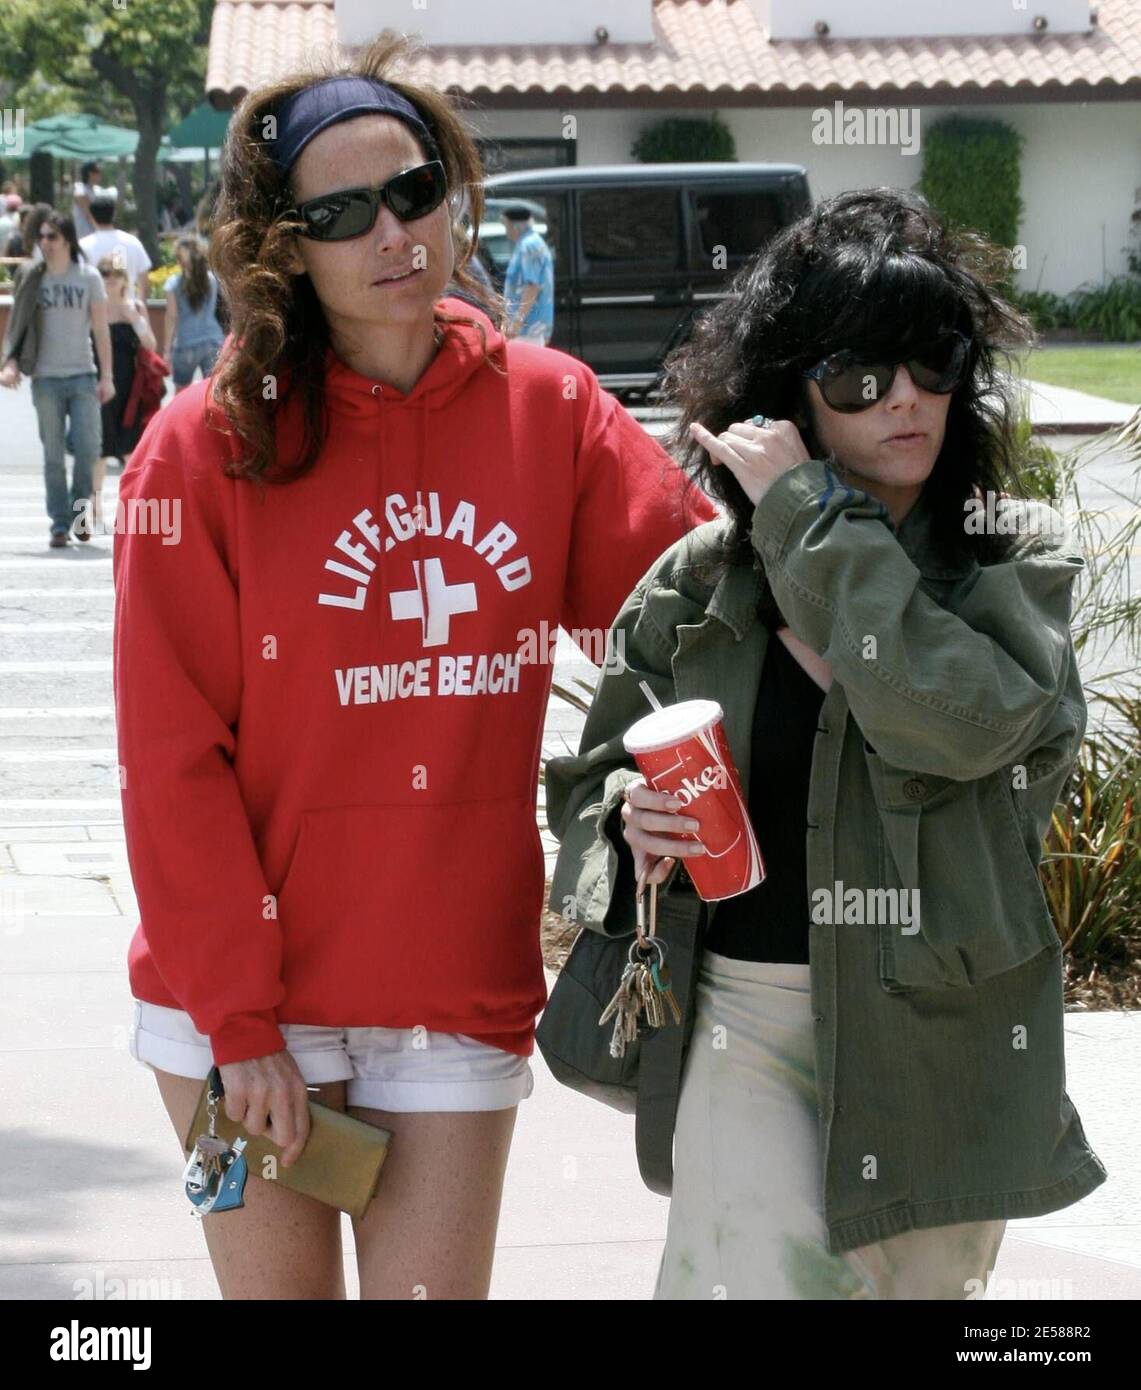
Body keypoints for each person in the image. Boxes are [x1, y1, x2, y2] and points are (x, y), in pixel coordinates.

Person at [112, 33, 717, 1301]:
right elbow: (171, 761)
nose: (392, 232)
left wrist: (822, 520)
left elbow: (690, 619)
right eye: (340, 212)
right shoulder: (204, 445)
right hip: (245, 998)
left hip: (449, 975)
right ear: (285, 245)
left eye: (413, 189)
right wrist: (239, 1024)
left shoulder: (549, 410)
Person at [545, 186, 1107, 1300]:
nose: (905, 400)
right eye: (859, 376)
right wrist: (626, 821)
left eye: (933, 362)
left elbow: (960, 726)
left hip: (944, 1028)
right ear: (786, 399)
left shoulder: (1003, 572)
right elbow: (589, 782)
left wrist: (808, 520)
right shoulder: (702, 585)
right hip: (745, 1013)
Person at [0, 211, 114, 546]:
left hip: (82, 375)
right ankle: (60, 524)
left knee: (89, 448)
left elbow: (100, 329)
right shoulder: (33, 277)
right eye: (42, 237)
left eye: (52, 237)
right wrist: (10, 363)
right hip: (46, 379)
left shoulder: (88, 277)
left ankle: (80, 514)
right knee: (52, 455)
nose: (45, 243)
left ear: (67, 240)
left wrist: (107, 376)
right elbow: (17, 326)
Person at [92, 256, 157, 526]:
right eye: (105, 274)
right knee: (100, 449)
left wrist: (135, 319)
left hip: (130, 388)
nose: (110, 279)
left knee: (131, 448)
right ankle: (95, 507)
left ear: (124, 278)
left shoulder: (135, 306)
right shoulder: (94, 308)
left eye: (116, 274)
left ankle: (131, 505)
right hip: (100, 384)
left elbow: (151, 345)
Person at [161, 235, 225, 393]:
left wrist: (166, 351)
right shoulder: (212, 279)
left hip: (185, 343)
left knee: (180, 395)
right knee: (212, 393)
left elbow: (172, 317)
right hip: (213, 341)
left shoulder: (173, 283)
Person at [80, 194, 152, 306]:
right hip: (128, 312)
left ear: (91, 216)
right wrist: (139, 307)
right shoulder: (132, 242)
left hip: (97, 315)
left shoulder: (83, 246)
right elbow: (145, 284)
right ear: (114, 214)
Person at [502, 205, 554, 345]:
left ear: (516, 226)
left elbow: (532, 286)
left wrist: (517, 322)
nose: (506, 231)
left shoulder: (529, 246)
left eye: (506, 225)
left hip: (528, 329)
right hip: (528, 328)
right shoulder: (529, 243)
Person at [71, 160, 106, 241]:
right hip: (85, 237)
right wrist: (101, 232)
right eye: (98, 172)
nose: (100, 174)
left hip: (96, 236)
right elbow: (89, 215)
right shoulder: (80, 190)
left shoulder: (96, 190)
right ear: (90, 173)